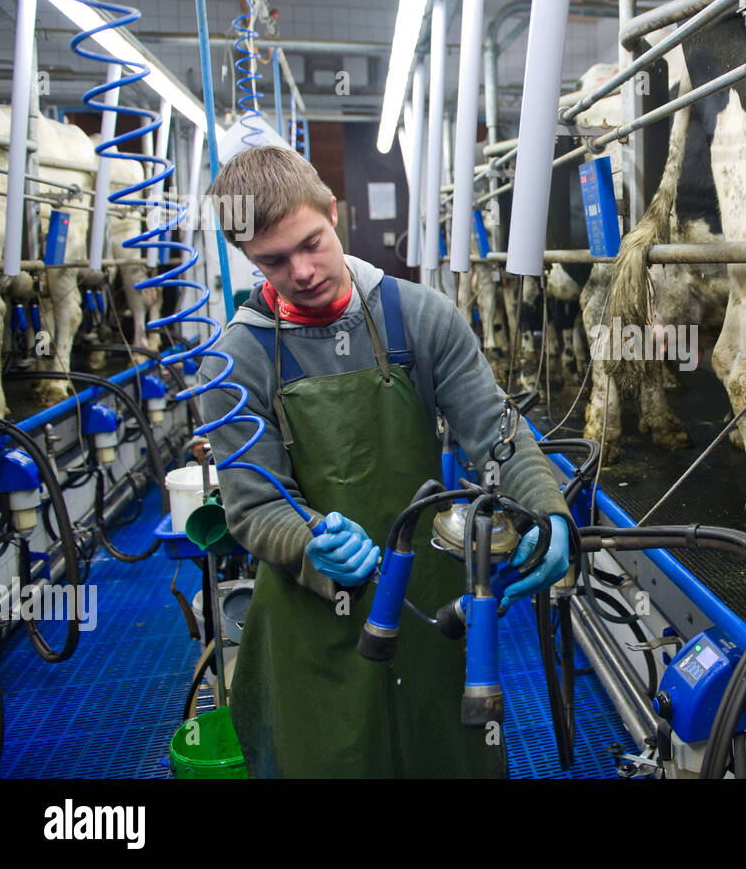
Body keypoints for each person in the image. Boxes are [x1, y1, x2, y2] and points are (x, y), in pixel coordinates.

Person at [198, 145, 572, 778]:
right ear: (246, 259)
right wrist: (307, 538)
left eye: (312, 242)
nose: (304, 271)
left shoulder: (419, 317)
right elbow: (253, 505)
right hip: (309, 618)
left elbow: (497, 434)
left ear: (332, 212)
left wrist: (549, 511)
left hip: (424, 602)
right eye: (274, 260)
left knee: (440, 753)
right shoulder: (235, 362)